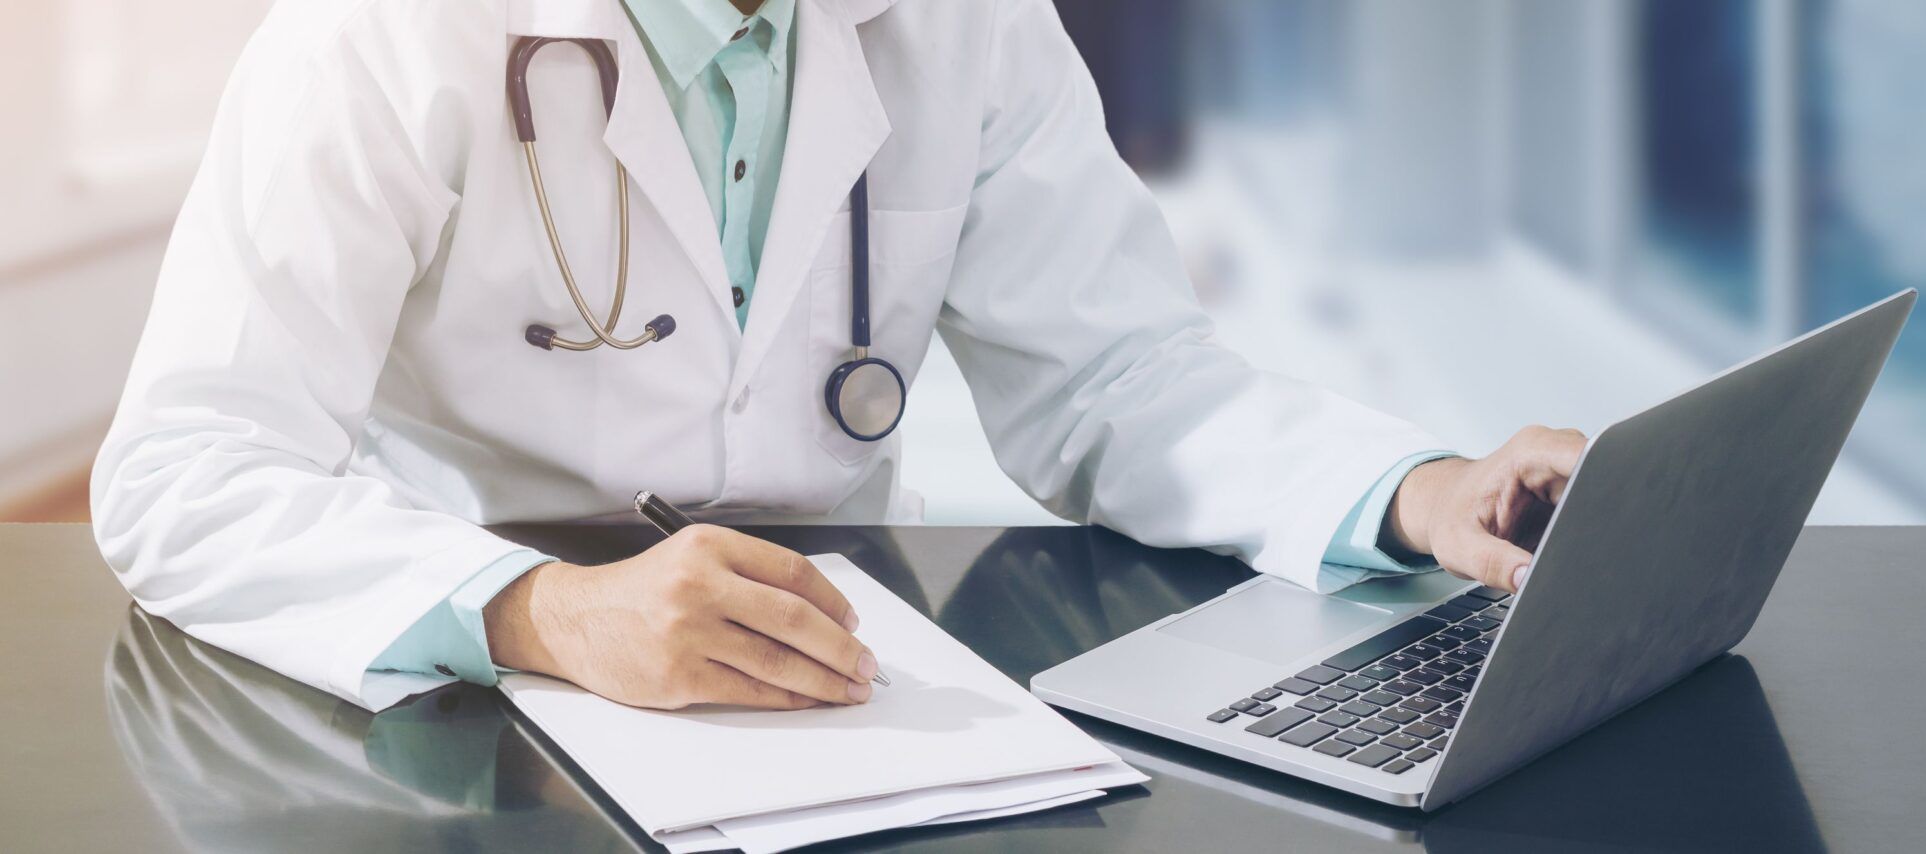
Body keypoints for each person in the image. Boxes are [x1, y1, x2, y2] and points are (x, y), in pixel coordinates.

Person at [92, 0, 1584, 714]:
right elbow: (188, 464)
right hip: (472, 709)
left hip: (842, 684)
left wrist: (1417, 489)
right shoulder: (383, 35)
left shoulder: (965, 25)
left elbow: (1119, 377)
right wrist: (541, 608)